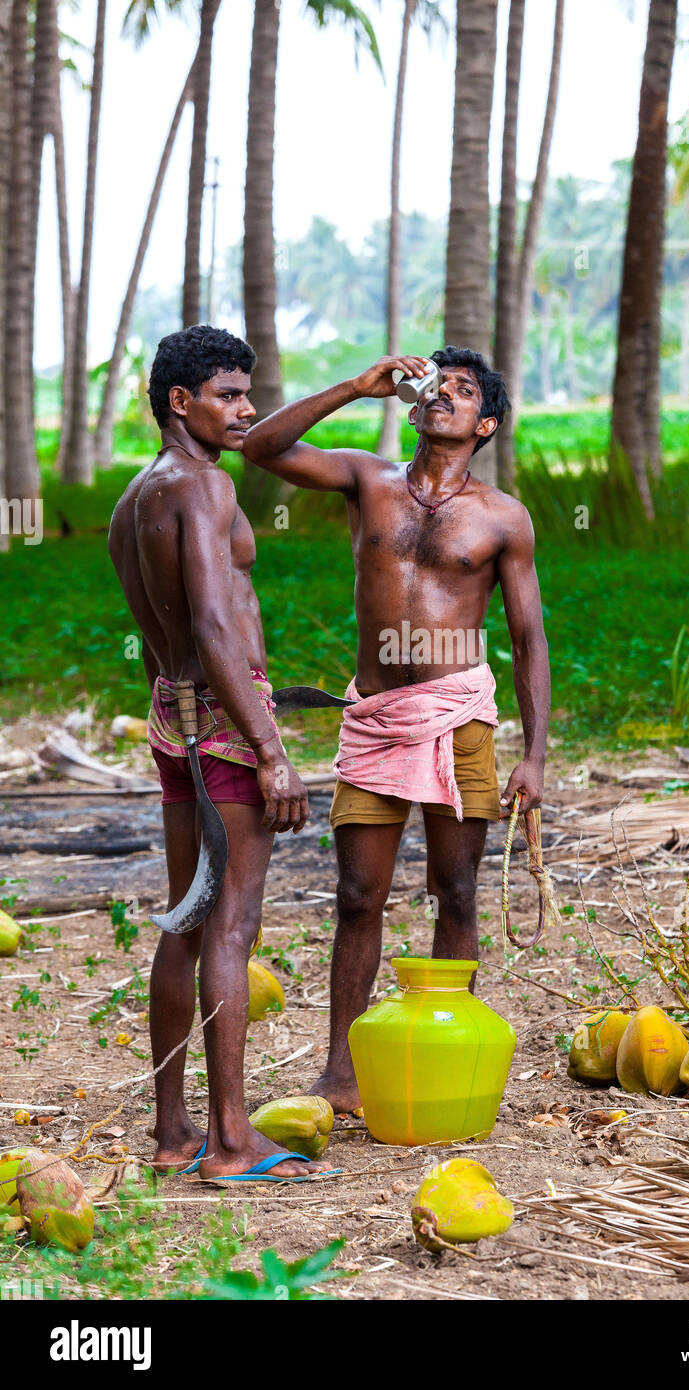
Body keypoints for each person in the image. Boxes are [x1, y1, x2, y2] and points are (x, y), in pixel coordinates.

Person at [242, 346, 550, 1111]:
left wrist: (536, 757)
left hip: (459, 719)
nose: (443, 392)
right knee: (356, 895)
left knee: (457, 892)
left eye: (463, 389)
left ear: (483, 424)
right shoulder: (368, 480)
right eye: (436, 382)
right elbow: (260, 448)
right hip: (375, 719)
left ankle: (446, 1052)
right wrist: (355, 386)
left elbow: (529, 638)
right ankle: (342, 1073)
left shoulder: (503, 517)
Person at [108, 324, 330, 1183]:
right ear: (180, 401)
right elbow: (208, 621)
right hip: (227, 726)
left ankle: (174, 1134)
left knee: (186, 920)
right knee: (231, 922)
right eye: (229, 395)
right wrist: (270, 750)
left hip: (176, 715)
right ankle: (233, 1142)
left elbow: (174, 633)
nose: (246, 409)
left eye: (247, 393)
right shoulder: (200, 487)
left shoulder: (139, 494)